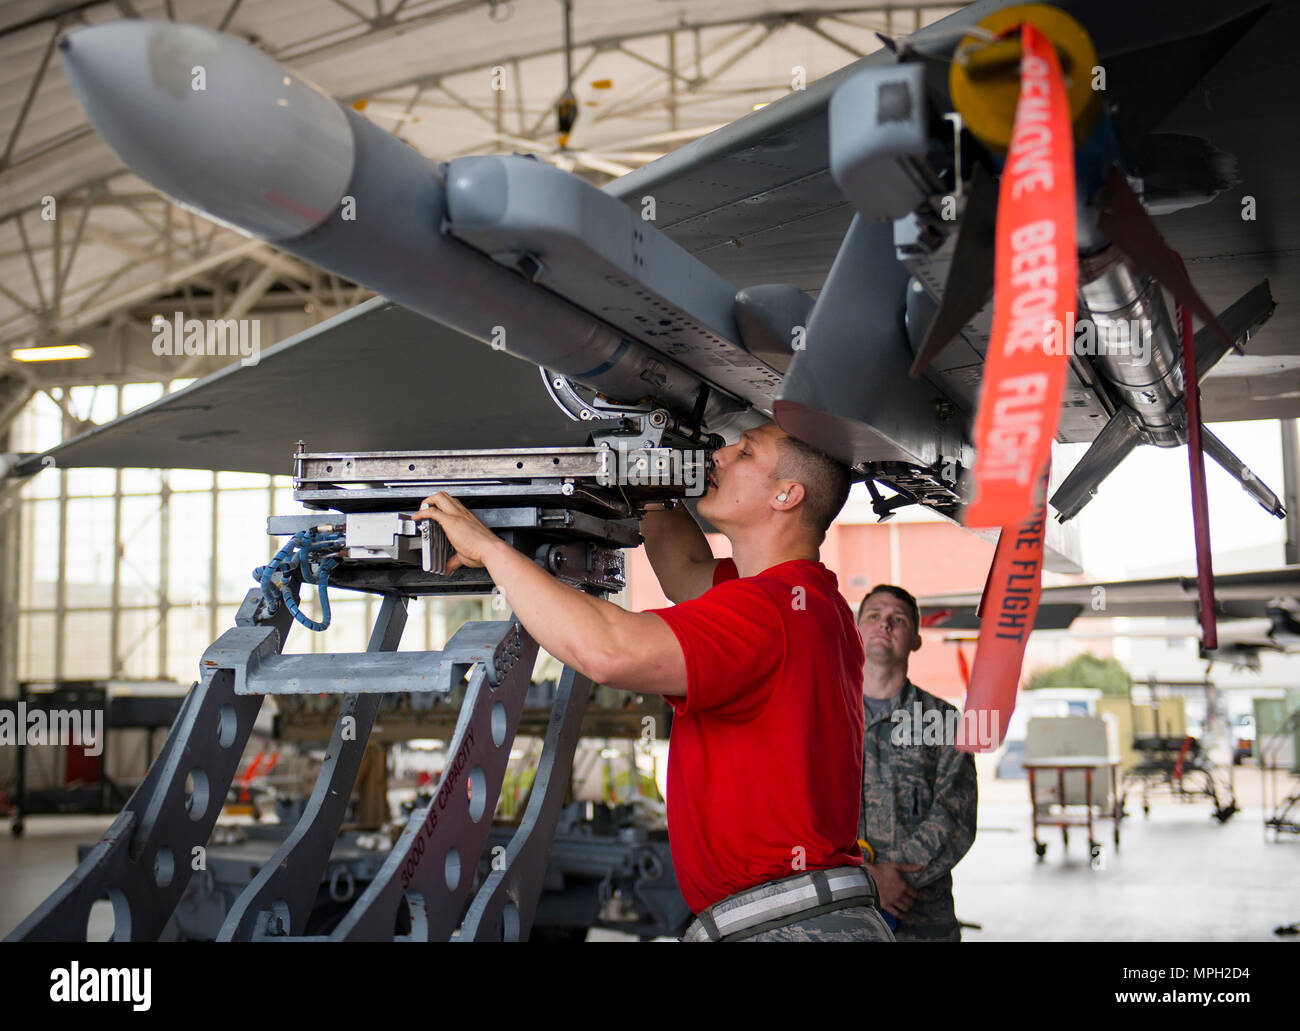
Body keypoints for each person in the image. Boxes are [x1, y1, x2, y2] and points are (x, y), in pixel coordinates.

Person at [414, 420, 892, 941]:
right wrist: (648, 467)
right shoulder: (805, 601)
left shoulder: (769, 612)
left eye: (746, 452)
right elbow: (687, 569)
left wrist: (490, 551)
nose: (722, 455)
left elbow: (609, 650)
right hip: (794, 918)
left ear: (786, 494)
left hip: (786, 925)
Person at [856, 584, 978, 942]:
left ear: (915, 641)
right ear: (854, 629)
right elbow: (798, 810)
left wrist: (895, 880)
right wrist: (867, 877)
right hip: (842, 914)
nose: (885, 625)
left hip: (922, 919)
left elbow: (955, 815)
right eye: (874, 616)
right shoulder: (820, 715)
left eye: (899, 620)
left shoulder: (945, 721)